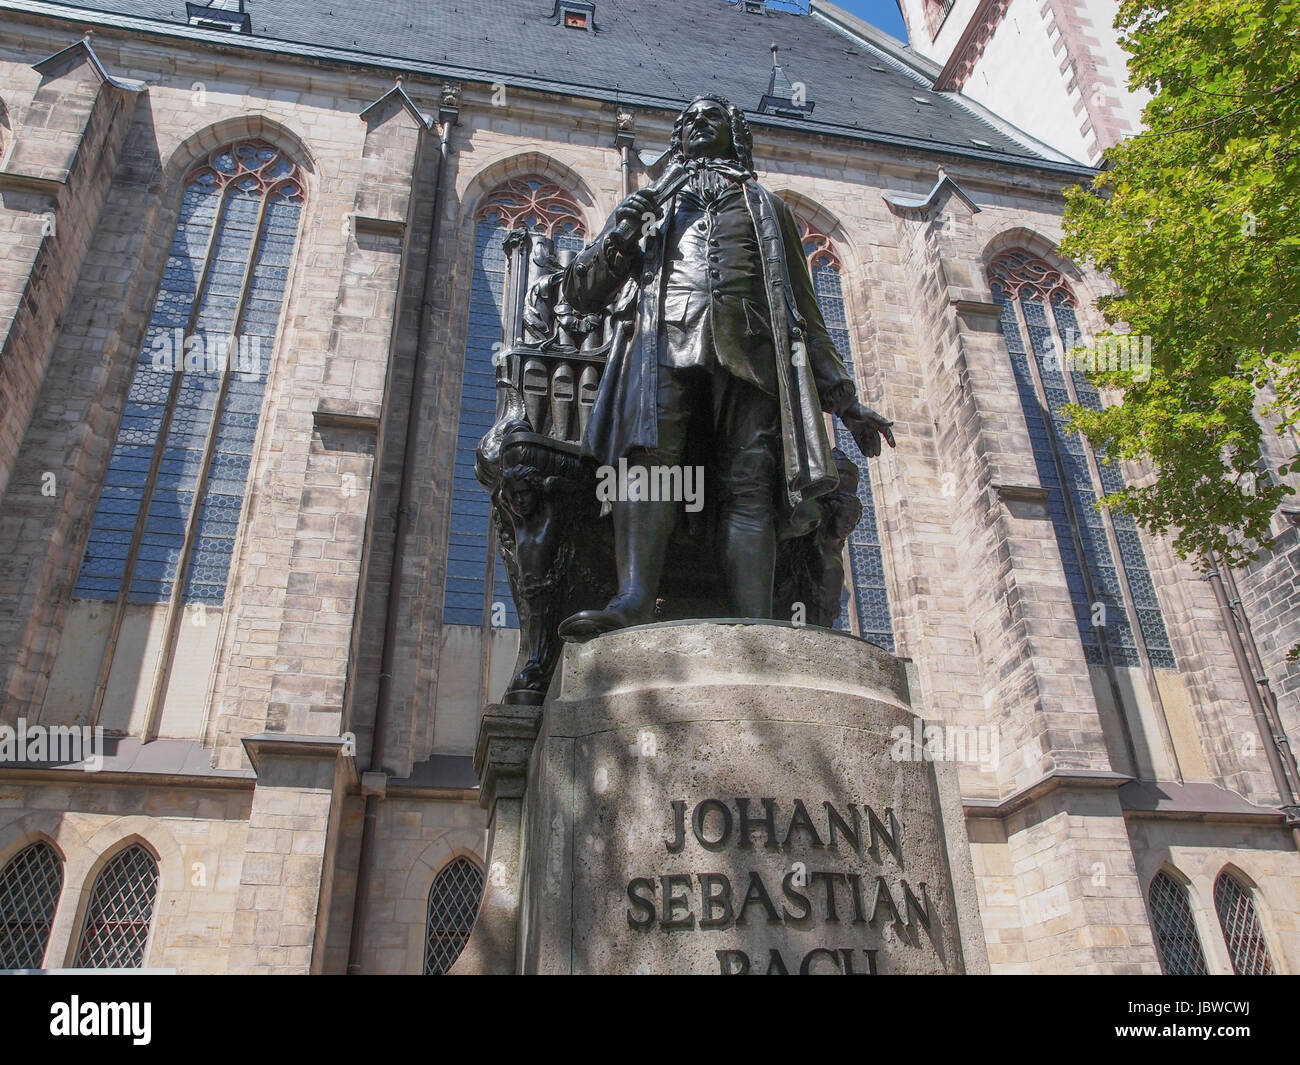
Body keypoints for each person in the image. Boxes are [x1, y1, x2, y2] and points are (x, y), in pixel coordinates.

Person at [557, 95, 894, 641]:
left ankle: (754, 625)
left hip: (754, 353)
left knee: (751, 484)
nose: (695, 124)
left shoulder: (767, 206)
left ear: (735, 134)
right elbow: (583, 292)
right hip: (660, 343)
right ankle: (633, 602)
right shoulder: (652, 204)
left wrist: (844, 398)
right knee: (648, 465)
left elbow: (805, 310)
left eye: (709, 117)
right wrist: (621, 233)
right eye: (686, 119)